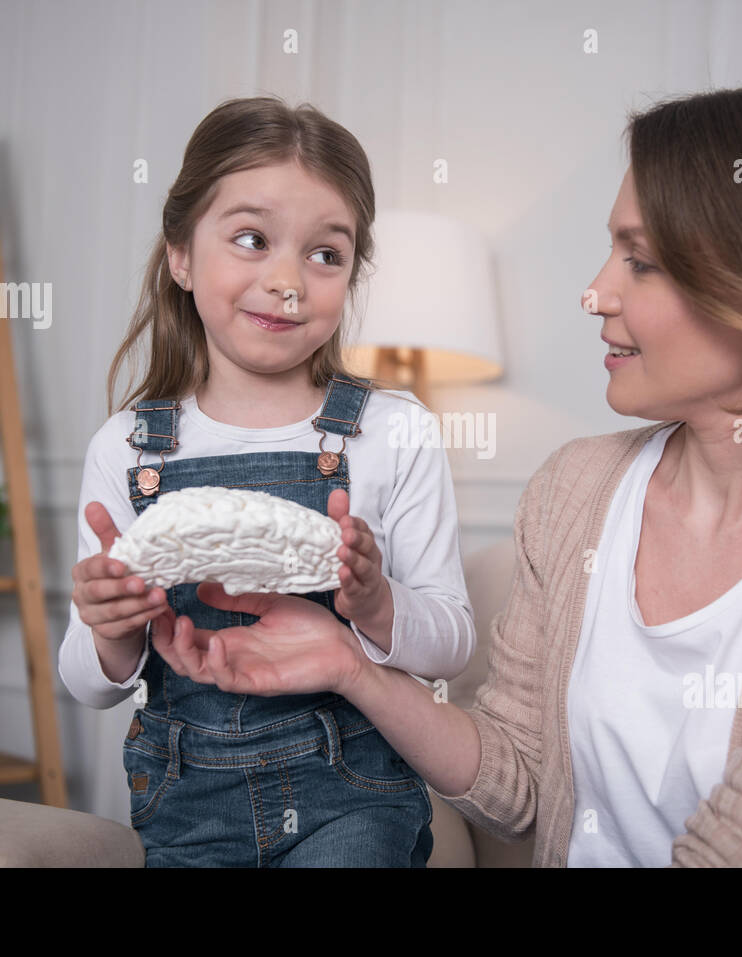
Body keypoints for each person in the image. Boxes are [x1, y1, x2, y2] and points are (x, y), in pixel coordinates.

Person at [147, 81, 742, 867]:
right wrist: (351, 667)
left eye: (641, 262)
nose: (596, 292)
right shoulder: (576, 490)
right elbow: (519, 786)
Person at [57, 96, 477, 867]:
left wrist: (378, 604)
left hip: (352, 794)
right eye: (252, 239)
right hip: (186, 803)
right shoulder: (127, 447)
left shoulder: (394, 430)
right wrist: (110, 627)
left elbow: (451, 640)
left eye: (326, 254)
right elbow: (88, 684)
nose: (288, 282)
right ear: (181, 254)